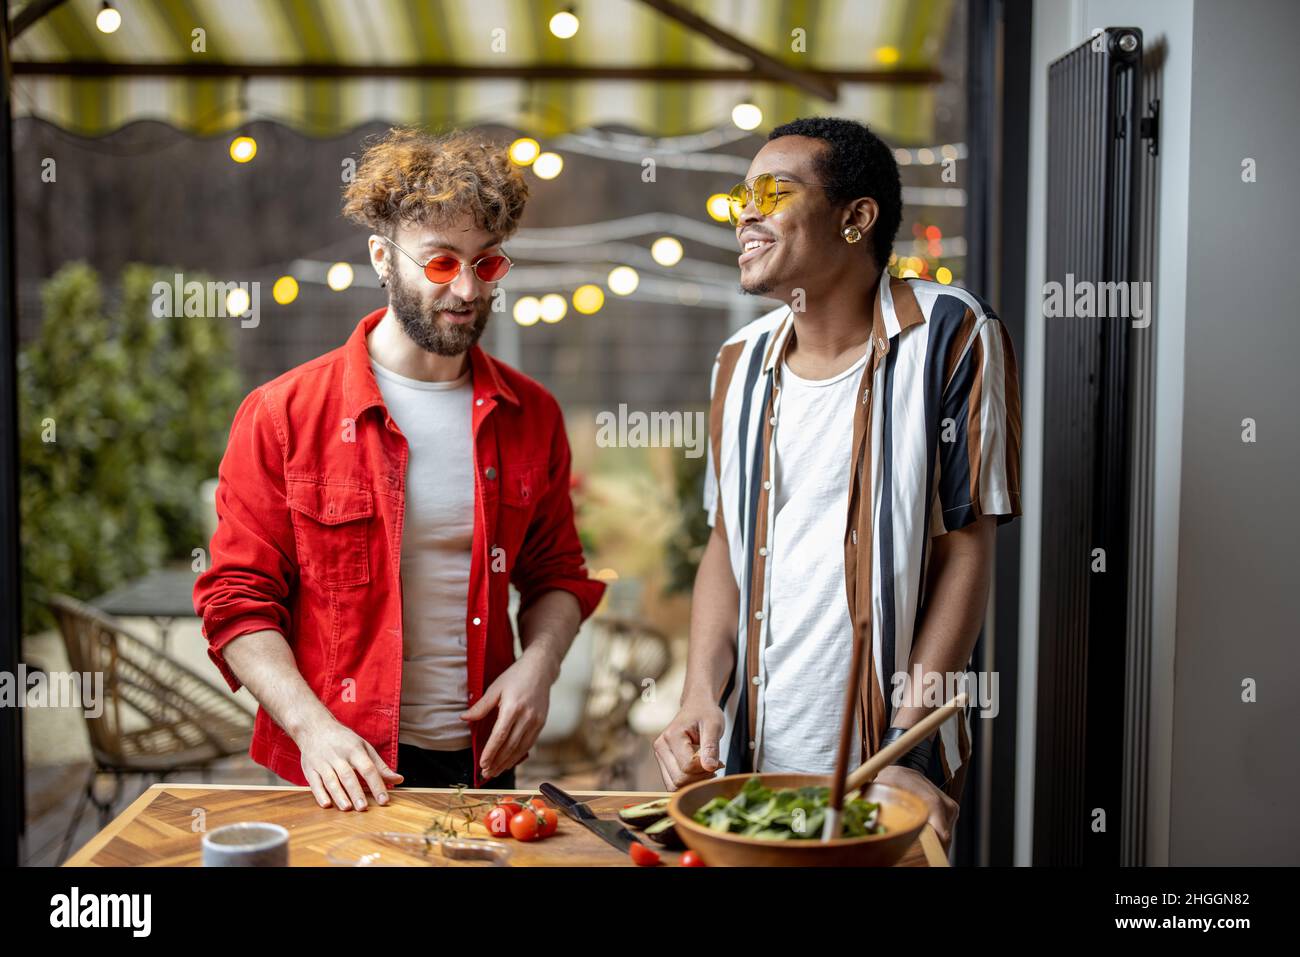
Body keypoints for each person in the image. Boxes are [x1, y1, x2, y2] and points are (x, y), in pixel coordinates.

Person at [194, 128, 604, 811]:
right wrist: (312, 728)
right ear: (383, 258)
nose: (468, 288)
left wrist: (539, 665)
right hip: (335, 769)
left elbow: (558, 576)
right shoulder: (281, 414)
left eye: (488, 264)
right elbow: (236, 600)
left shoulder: (532, 415)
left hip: (481, 762)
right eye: (441, 263)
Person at [653, 117, 1022, 849]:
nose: (744, 212)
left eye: (772, 192)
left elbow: (966, 550)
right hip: (750, 763)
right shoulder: (737, 361)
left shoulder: (952, 332)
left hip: (885, 769)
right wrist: (698, 694)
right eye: (740, 196)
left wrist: (912, 746)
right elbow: (726, 543)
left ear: (856, 218)